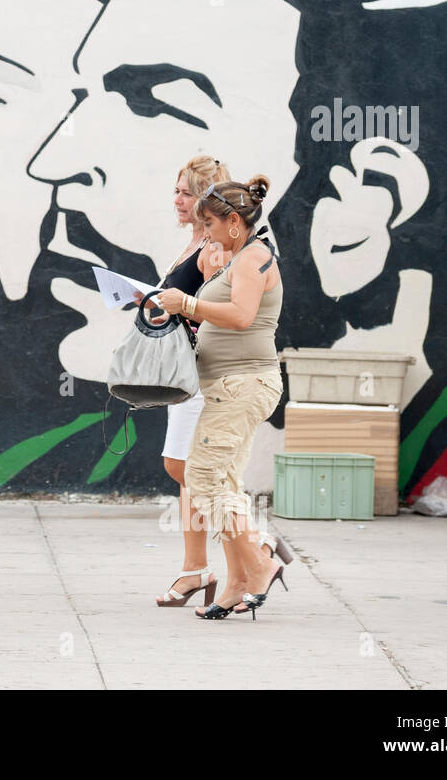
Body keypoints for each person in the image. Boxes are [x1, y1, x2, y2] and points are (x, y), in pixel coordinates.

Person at [150, 158, 293, 607]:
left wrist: (187, 304)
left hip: (243, 384)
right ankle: (235, 584)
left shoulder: (251, 258)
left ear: (235, 221)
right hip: (230, 384)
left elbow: (242, 316)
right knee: (222, 482)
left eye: (210, 223)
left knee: (204, 477)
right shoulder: (240, 254)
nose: (205, 232)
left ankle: (261, 560)